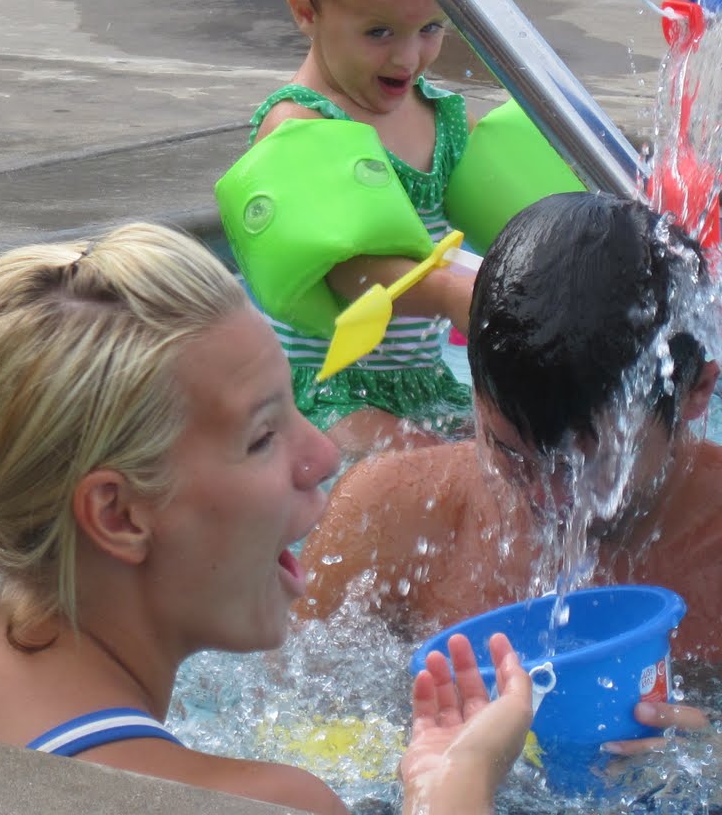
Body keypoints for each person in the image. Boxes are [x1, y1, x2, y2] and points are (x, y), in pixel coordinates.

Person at [0, 222, 534, 815]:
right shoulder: (264, 805)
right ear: (118, 513)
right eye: (263, 435)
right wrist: (450, 790)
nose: (322, 458)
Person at [301, 191, 722, 674]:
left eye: (584, 465)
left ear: (698, 392)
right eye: (509, 451)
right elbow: (279, 717)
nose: (547, 495)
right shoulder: (391, 515)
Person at [218, 0, 477, 458]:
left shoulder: (439, 117)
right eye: (379, 32)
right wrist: (456, 293)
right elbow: (348, 271)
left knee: (528, 459)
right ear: (307, 14)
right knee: (411, 471)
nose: (408, 57)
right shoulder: (294, 126)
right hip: (322, 395)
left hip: (426, 382)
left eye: (431, 28)